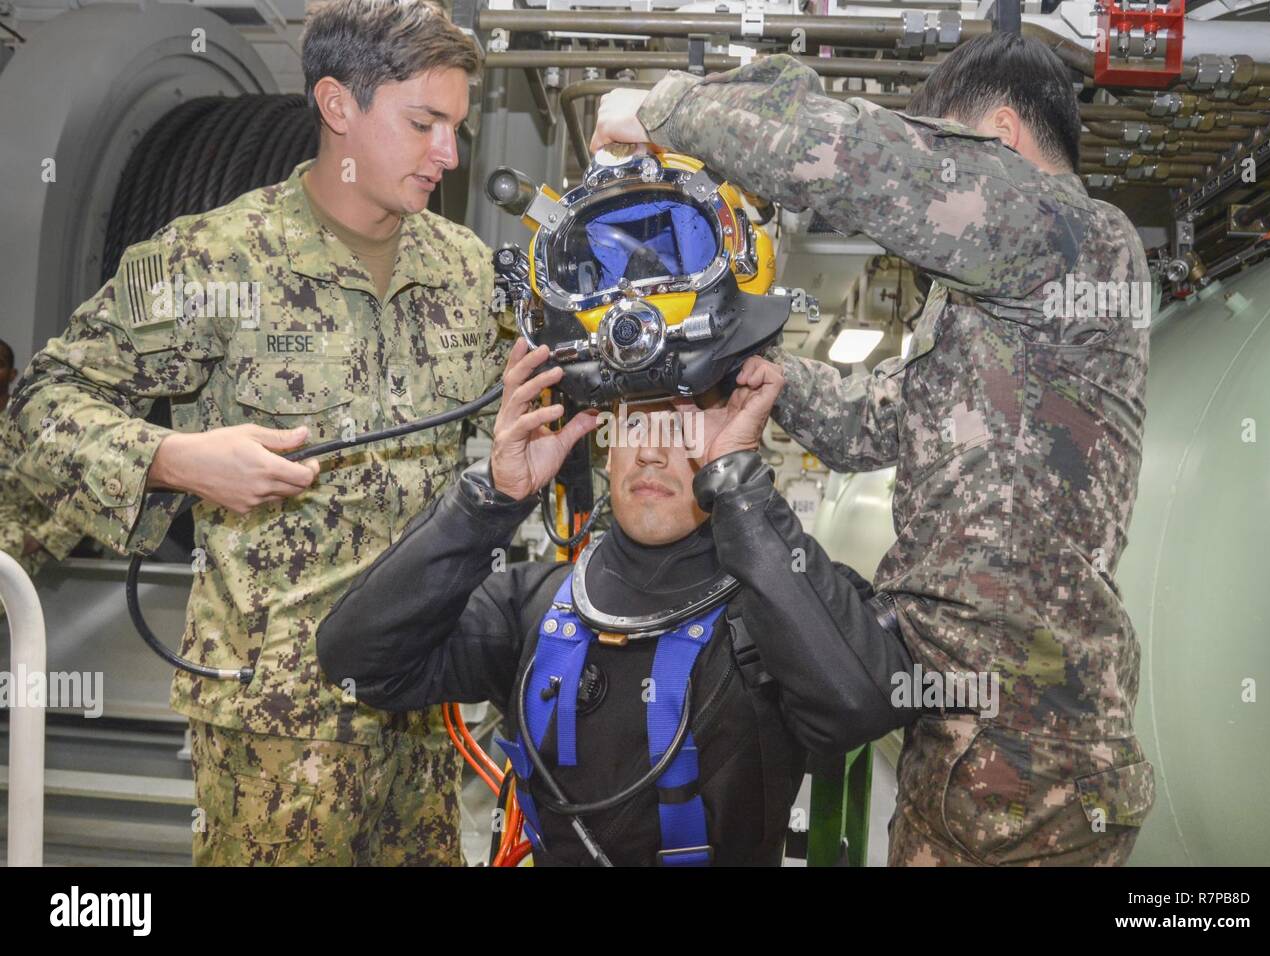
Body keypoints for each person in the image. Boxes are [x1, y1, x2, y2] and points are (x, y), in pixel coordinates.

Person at [590, 33, 1155, 866]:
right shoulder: (1000, 315)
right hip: (965, 740)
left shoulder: (1077, 239)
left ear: (998, 141)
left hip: (1036, 753)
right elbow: (872, 424)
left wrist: (663, 110)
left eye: (947, 146)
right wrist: (747, 366)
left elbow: (858, 160)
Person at [1, 0, 505, 865]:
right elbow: (43, 404)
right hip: (276, 725)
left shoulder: (463, 268)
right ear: (339, 106)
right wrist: (173, 459)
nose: (448, 155)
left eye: (456, 128)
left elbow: (500, 430)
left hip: (424, 703)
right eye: (425, 124)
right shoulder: (215, 259)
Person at [316, 340, 917, 866]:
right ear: (607, 448)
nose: (652, 452)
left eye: (682, 428)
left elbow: (860, 710)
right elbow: (357, 662)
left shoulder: (781, 606)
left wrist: (739, 487)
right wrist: (489, 502)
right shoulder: (534, 603)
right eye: (636, 426)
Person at [0, 337, 83, 582]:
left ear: (12, 374)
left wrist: (40, 539)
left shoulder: (34, 426)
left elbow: (80, 492)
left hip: (17, 567)